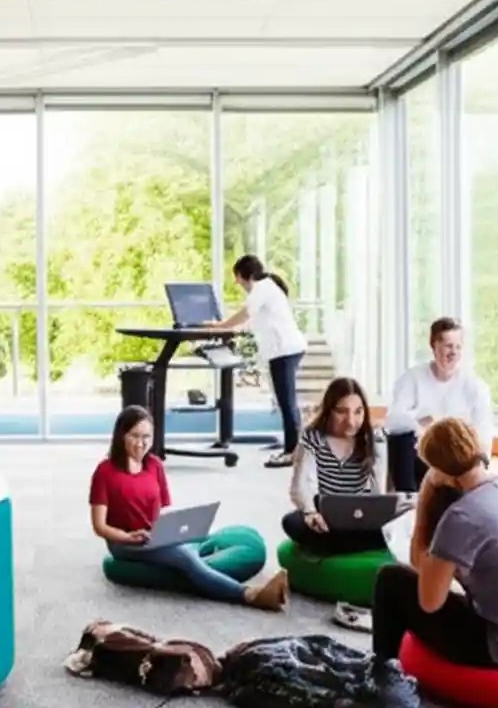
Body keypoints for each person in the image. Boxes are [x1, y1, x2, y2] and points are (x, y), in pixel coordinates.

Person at [369, 417, 498, 704]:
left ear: (438, 469)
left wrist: (425, 499)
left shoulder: (461, 517)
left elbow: (429, 602)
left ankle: (382, 675)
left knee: (390, 580)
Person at [89, 405, 289, 611]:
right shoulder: (105, 472)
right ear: (121, 435)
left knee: (192, 540)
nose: (141, 443)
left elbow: (158, 512)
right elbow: (99, 526)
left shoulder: (154, 465)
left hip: (151, 537)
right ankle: (249, 595)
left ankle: (195, 565)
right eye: (134, 436)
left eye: (146, 436)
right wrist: (127, 537)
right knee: (185, 558)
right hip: (124, 544)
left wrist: (169, 531)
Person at [208, 255, 308, 469]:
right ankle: (294, 450)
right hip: (286, 349)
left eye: (238, 278)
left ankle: (292, 453)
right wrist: (232, 329)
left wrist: (221, 326)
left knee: (287, 403)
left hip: (284, 350)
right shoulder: (267, 288)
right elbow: (254, 322)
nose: (238, 283)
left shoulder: (262, 287)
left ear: (245, 275)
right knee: (287, 402)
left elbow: (246, 313)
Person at [384, 317, 493, 492]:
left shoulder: (475, 386)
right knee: (402, 438)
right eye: (448, 346)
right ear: (434, 346)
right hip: (422, 453)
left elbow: (484, 432)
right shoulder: (412, 378)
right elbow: (393, 421)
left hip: (457, 457)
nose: (453, 353)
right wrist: (420, 423)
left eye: (458, 347)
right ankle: (408, 497)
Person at [283, 376, 385, 556]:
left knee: (394, 528)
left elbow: (380, 491)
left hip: (360, 514)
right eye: (342, 412)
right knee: (291, 522)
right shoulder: (313, 437)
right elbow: (300, 486)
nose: (351, 421)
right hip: (324, 514)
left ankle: (329, 546)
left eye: (358, 412)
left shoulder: (373, 438)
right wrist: (310, 514)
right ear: (329, 410)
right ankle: (351, 544)